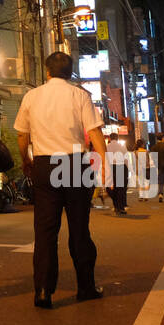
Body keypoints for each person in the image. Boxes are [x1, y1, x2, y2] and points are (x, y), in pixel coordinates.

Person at [14, 51, 106, 309]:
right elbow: (94, 132)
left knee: (45, 232)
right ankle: (86, 287)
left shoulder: (32, 96)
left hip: (44, 163)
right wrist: (105, 164)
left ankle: (43, 291)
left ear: (47, 71)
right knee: (79, 228)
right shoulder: (80, 95)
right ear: (71, 72)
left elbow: (22, 135)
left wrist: (26, 160)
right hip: (75, 163)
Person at [107, 134, 130, 214]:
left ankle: (116, 205)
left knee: (111, 188)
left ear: (110, 138)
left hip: (110, 168)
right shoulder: (122, 146)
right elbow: (126, 159)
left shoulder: (107, 147)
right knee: (121, 188)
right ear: (117, 138)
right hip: (121, 167)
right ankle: (120, 207)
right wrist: (127, 169)